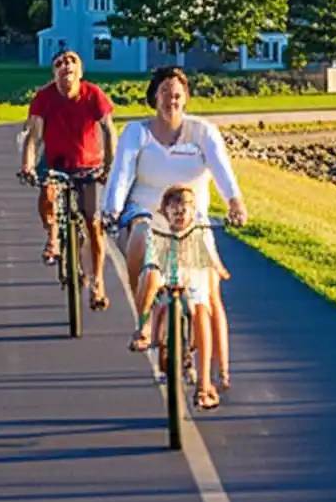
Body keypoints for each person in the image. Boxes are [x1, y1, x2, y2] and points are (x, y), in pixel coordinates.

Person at [103, 65, 247, 392]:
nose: (172, 100)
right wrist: (111, 210)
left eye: (178, 94)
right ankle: (145, 317)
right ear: (154, 98)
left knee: (207, 295)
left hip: (191, 220)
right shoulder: (136, 133)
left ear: (187, 99)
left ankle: (209, 370)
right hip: (146, 211)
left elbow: (222, 169)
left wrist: (235, 202)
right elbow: (122, 173)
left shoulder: (202, 133)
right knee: (140, 237)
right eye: (165, 93)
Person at [20, 48, 116, 311]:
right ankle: (52, 238)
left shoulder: (93, 94)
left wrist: (110, 164)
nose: (66, 65)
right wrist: (27, 164)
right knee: (47, 192)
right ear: (55, 72)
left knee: (93, 223)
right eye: (60, 63)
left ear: (80, 72)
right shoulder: (44, 97)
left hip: (89, 165)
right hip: (56, 163)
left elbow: (109, 130)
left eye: (72, 61)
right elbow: (33, 135)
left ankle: (98, 283)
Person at [132, 183, 228, 409]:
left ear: (193, 211)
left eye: (186, 208)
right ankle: (145, 328)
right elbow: (152, 255)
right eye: (174, 208)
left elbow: (210, 254)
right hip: (165, 271)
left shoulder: (200, 228)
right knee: (150, 279)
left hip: (193, 275)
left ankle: (204, 383)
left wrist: (219, 268)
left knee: (202, 311)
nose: (180, 213)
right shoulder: (156, 227)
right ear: (165, 210)